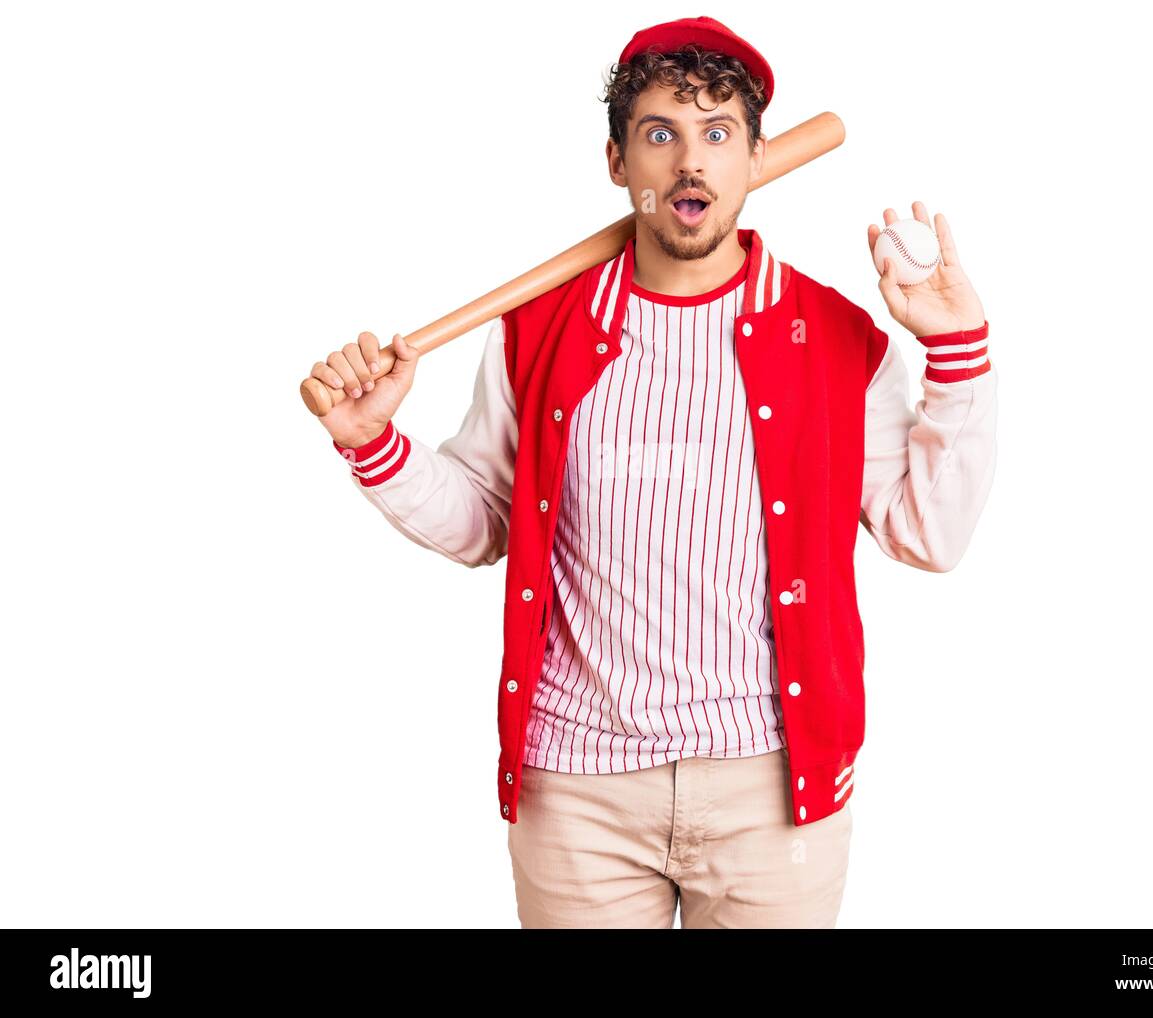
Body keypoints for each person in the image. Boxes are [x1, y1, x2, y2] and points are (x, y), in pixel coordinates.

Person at [306, 16, 997, 928]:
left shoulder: (834, 339)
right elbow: (487, 523)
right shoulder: (538, 333)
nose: (690, 163)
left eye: (717, 135)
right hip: (577, 793)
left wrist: (955, 351)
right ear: (617, 161)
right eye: (660, 134)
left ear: (755, 159)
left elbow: (930, 535)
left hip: (772, 791)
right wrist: (372, 443)